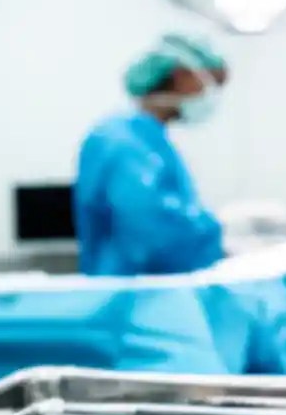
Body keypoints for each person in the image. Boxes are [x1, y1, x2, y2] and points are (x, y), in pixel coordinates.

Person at [75, 34, 229, 276]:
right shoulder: (124, 142)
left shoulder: (148, 139)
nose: (211, 95)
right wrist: (217, 234)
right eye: (210, 83)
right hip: (132, 291)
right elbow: (151, 228)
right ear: (181, 76)